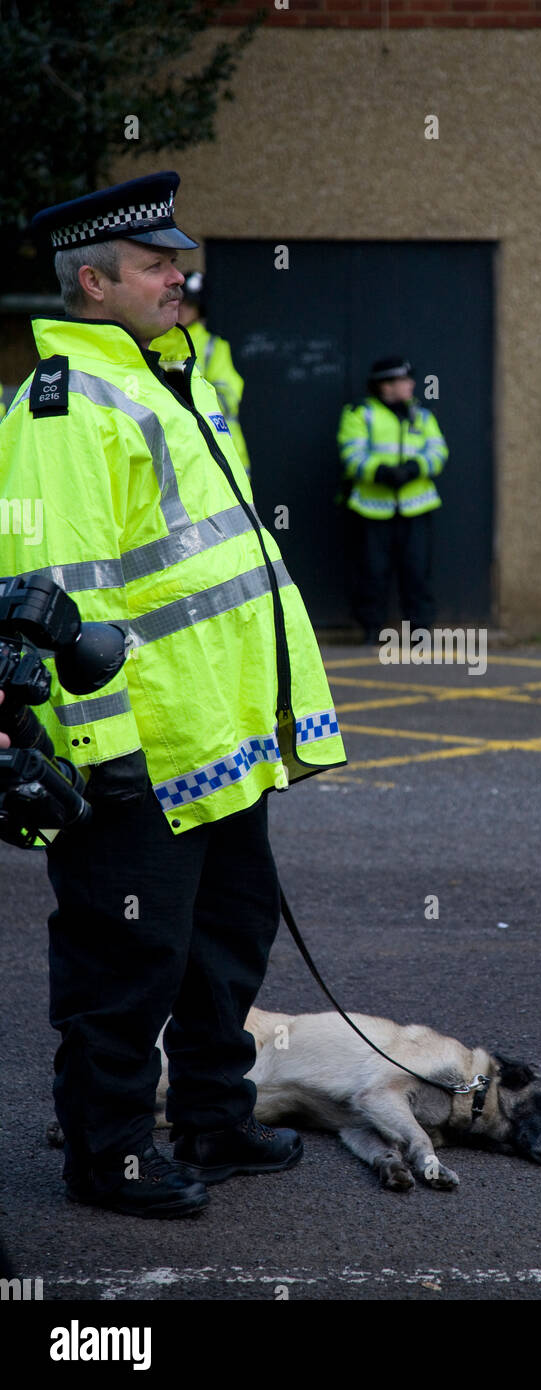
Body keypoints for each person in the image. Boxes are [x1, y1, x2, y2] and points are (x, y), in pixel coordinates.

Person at [0, 171, 346, 1218]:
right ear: (92, 283)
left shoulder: (167, 381)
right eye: (156, 265)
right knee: (125, 960)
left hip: (216, 742)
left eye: (178, 261)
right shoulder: (66, 405)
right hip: (134, 755)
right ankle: (107, 1157)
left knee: (228, 939)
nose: (178, 278)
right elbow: (61, 597)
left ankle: (211, 1116)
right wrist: (100, 756)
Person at [337, 357, 448, 643]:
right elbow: (351, 455)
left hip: (416, 508)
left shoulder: (421, 415)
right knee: (372, 573)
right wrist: (380, 472)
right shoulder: (360, 413)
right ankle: (371, 631)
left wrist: (415, 468)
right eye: (404, 380)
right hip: (372, 509)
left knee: (417, 572)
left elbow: (438, 452)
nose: (411, 384)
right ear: (385, 385)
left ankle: (420, 631)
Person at [176, 270, 251, 477]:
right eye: (180, 301)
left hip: (223, 452)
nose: (182, 309)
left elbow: (229, 397)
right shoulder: (157, 341)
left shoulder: (213, 346)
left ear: (199, 311)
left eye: (190, 305)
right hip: (184, 450)